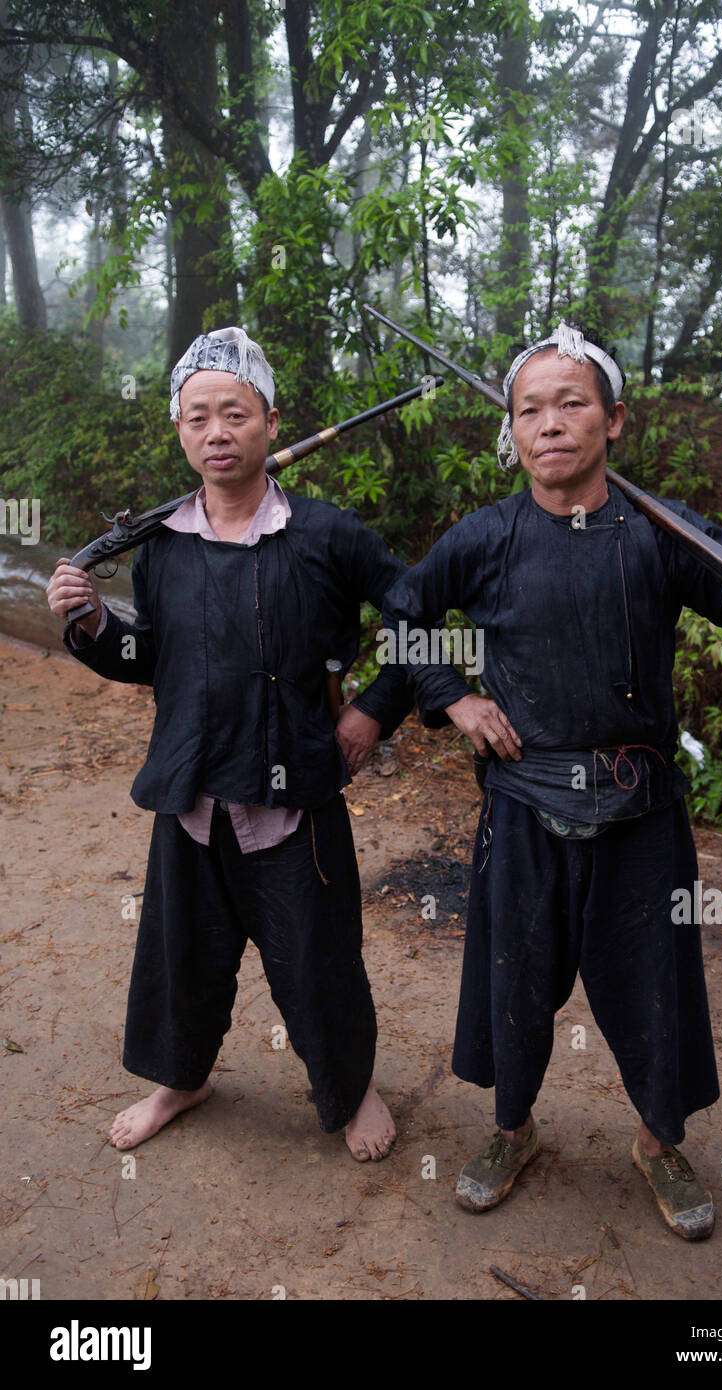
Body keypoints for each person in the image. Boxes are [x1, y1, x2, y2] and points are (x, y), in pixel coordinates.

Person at [381, 324, 722, 1238]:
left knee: (651, 987)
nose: (550, 423)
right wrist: (453, 699)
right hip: (522, 803)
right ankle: (512, 1129)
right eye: (530, 409)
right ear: (512, 431)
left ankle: (659, 1144)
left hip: (639, 811)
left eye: (571, 402)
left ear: (612, 420)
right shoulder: (485, 538)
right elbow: (403, 615)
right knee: (514, 980)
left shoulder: (661, 535)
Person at [47, 326, 421, 1162]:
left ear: (269, 422)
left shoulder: (326, 535)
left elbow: (418, 618)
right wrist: (92, 623)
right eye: (197, 418)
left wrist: (369, 712)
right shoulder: (162, 544)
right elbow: (155, 660)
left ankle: (350, 1086)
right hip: (190, 791)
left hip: (295, 799)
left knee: (318, 958)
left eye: (235, 414)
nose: (217, 433)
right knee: (183, 957)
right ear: (178, 430)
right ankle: (181, 1078)